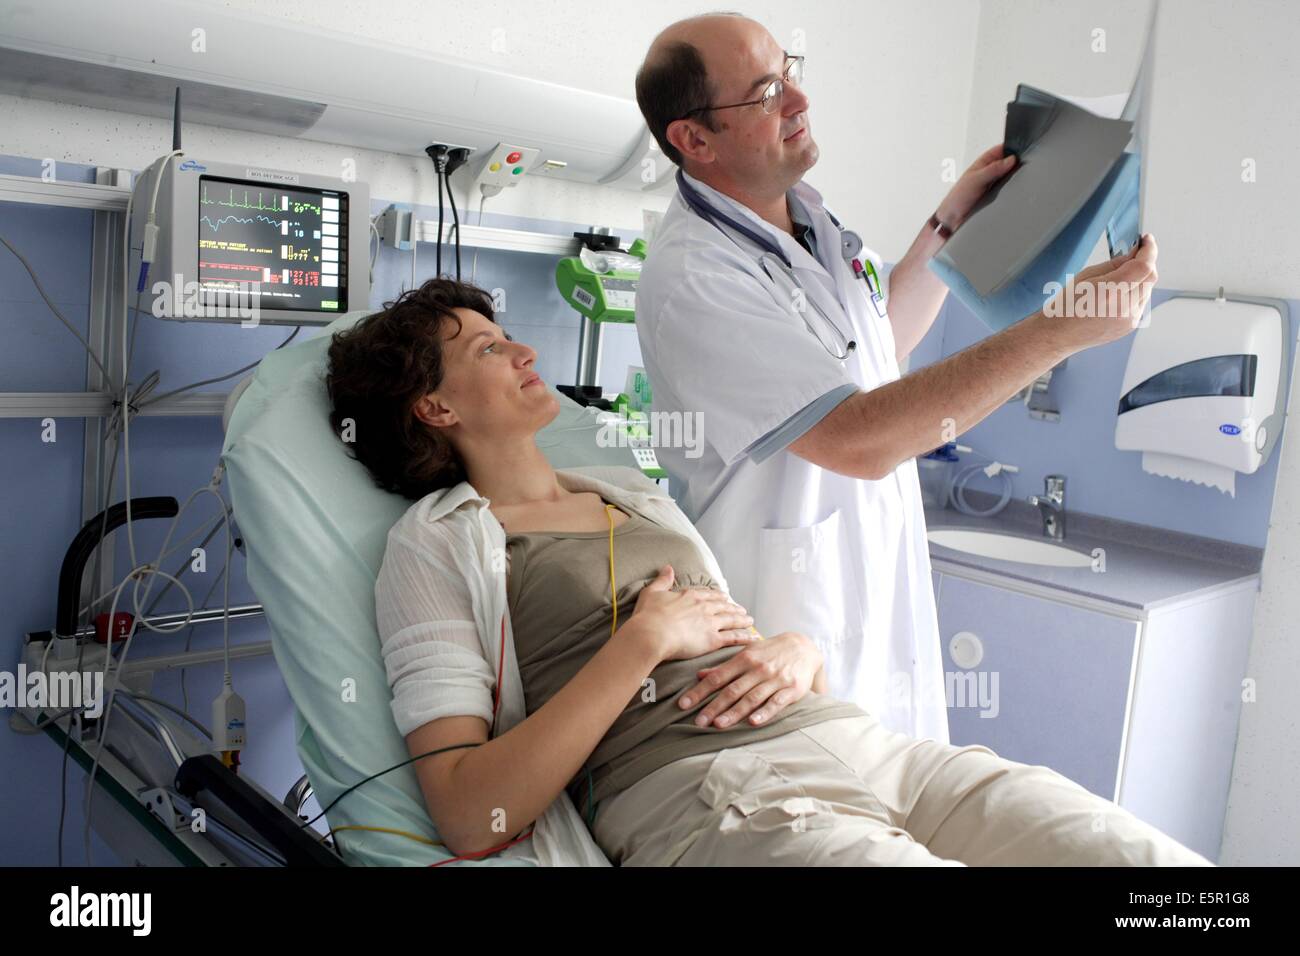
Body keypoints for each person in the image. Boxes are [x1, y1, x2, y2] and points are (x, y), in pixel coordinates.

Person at [325, 277, 1205, 867]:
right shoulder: (439, 542)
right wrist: (638, 646)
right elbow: (467, 813)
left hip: (870, 749)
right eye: (485, 350)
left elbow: (734, 648)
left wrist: (797, 651)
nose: (522, 353)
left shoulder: (632, 494)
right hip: (714, 799)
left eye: (509, 336)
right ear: (433, 407)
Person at [632, 13, 1158, 743]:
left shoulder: (810, 219)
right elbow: (857, 439)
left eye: (790, 72)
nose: (798, 102)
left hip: (872, 615)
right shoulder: (696, 276)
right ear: (694, 140)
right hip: (780, 646)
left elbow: (876, 349)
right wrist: (1057, 332)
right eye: (763, 95)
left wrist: (949, 229)